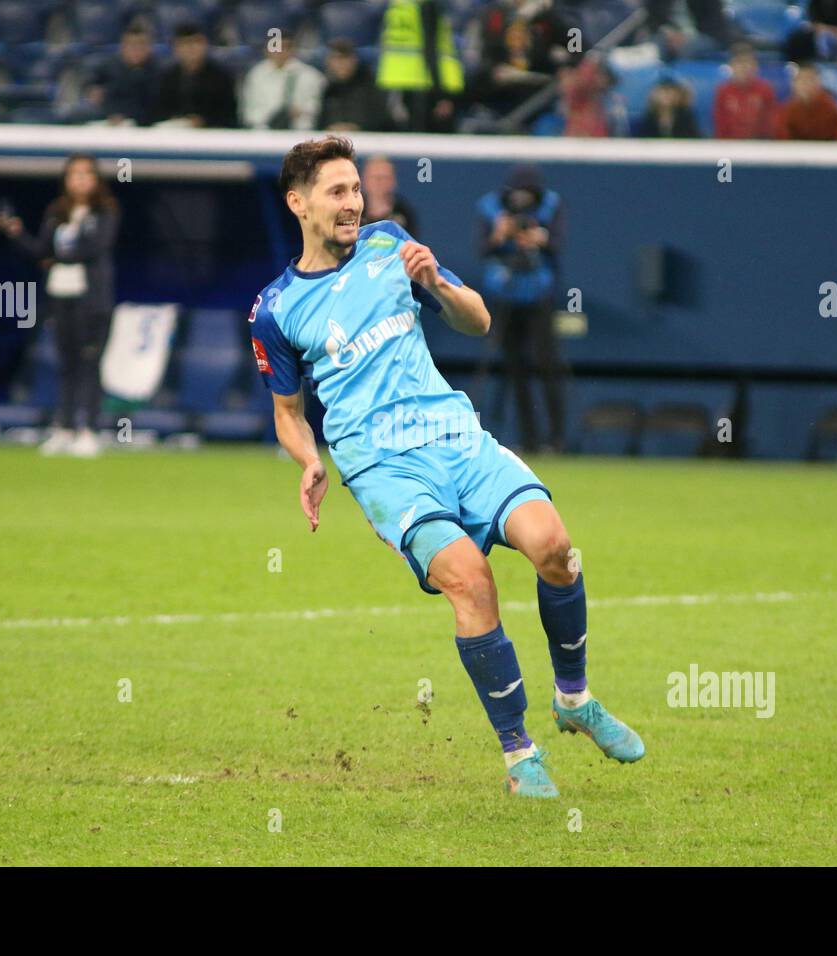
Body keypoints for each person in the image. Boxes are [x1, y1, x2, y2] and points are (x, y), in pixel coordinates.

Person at [250, 136, 643, 798]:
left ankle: (574, 698)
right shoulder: (276, 309)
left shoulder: (389, 244)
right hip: (383, 469)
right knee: (471, 579)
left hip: (456, 438)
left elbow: (478, 320)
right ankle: (520, 755)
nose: (353, 204)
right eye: (337, 192)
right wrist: (309, 459)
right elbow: (288, 411)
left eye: (356, 191)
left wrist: (433, 280)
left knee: (555, 547)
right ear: (299, 203)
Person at [0, 154, 119, 457]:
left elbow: (94, 248)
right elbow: (41, 250)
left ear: (95, 179)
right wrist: (16, 233)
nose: (78, 180)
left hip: (93, 299)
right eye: (73, 174)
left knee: (90, 362)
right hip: (60, 295)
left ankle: (88, 429)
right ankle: (63, 427)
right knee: (67, 363)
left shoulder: (106, 211)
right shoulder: (57, 211)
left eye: (85, 174)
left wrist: (59, 256)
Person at [476, 164, 566, 455]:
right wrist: (499, 235)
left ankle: (556, 439)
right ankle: (527, 439)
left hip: (539, 294)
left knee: (548, 365)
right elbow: (483, 250)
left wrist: (542, 240)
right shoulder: (491, 209)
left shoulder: (552, 205)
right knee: (515, 370)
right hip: (507, 292)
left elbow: (557, 245)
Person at [376, 0, 463, 132]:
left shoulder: (397, 5)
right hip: (422, 83)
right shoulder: (426, 5)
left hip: (394, 78)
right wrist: (441, 95)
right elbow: (430, 49)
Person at [155, 22, 238, 128]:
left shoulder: (221, 77)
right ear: (176, 48)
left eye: (196, 43)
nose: (191, 48)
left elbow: (229, 117)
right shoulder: (167, 78)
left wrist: (203, 122)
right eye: (185, 44)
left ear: (205, 45)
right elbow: (158, 112)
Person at [240, 29, 325, 130]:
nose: (280, 51)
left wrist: (302, 110)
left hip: (300, 133)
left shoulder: (310, 75)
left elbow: (318, 107)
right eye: (275, 47)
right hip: (263, 132)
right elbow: (248, 112)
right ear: (267, 50)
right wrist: (270, 117)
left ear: (293, 49)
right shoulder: (256, 75)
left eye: (285, 47)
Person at [86, 22, 161, 126]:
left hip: (145, 127)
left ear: (149, 47)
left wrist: (125, 116)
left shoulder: (159, 71)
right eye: (132, 45)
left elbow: (154, 106)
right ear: (123, 46)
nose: (136, 49)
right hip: (108, 121)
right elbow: (93, 88)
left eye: (141, 44)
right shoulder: (109, 67)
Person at [319, 38, 394, 132]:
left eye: (346, 58)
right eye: (337, 59)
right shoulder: (325, 88)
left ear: (355, 60)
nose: (342, 64)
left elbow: (383, 120)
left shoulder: (371, 86)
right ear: (328, 62)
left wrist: (357, 127)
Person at [713, 43, 778, 139]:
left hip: (759, 147)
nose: (744, 67)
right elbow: (720, 125)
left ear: (755, 66)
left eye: (748, 63)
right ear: (732, 66)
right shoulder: (723, 91)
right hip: (730, 147)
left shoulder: (765, 90)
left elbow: (770, 125)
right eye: (739, 63)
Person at [775, 62, 837, 140]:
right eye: (801, 80)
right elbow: (782, 138)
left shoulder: (830, 107)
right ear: (794, 84)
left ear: (818, 83)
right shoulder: (789, 108)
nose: (805, 84)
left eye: (809, 79)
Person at [358, 154, 418, 236]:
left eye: (385, 178)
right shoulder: (355, 212)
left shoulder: (403, 214)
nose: (379, 183)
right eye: (375, 178)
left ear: (393, 181)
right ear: (364, 180)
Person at [637, 76, 702, 137]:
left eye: (670, 91)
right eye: (663, 91)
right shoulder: (649, 117)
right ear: (654, 95)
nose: (667, 95)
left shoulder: (686, 116)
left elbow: (696, 139)